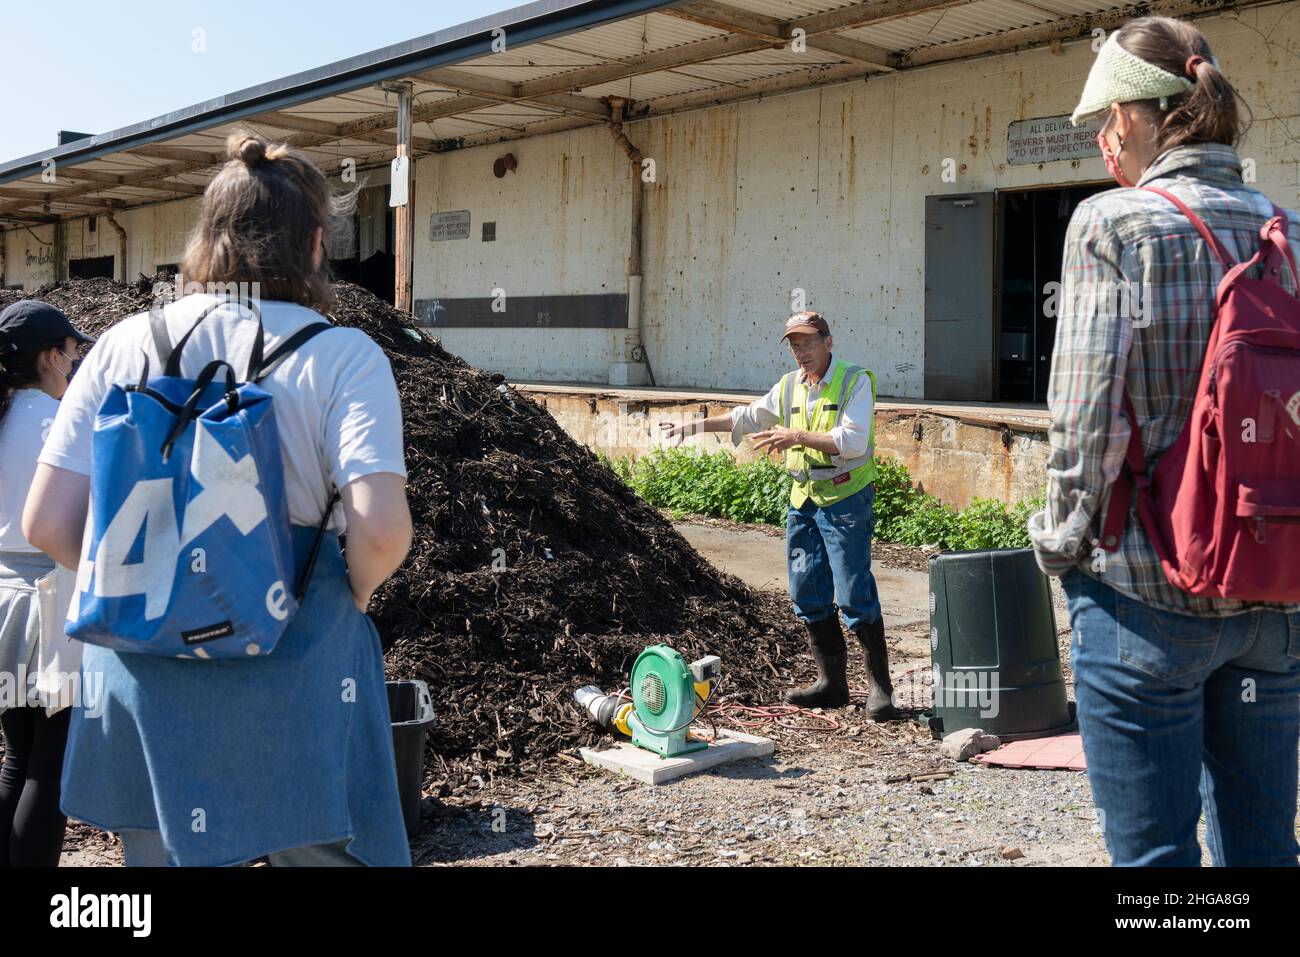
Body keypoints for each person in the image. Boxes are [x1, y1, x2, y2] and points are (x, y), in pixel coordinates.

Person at [22, 131, 415, 867]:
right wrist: (348, 592)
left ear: (205, 242)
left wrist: (154, 579)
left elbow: (45, 520)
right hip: (298, 657)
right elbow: (383, 531)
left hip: (146, 675)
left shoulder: (119, 345)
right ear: (317, 243)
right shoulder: (345, 356)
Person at [1029, 16, 1300, 865]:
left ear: (1141, 117)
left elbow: (1083, 420)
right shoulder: (1288, 231)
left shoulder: (1111, 224)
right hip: (1273, 593)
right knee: (1264, 847)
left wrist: (1061, 543)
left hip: (1145, 591)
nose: (1106, 141)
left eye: (1107, 120)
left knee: (1155, 864)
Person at [661, 312, 898, 719]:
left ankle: (882, 688)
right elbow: (748, 416)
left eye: (808, 342)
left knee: (853, 591)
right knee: (806, 589)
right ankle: (831, 684)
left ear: (828, 341)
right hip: (804, 498)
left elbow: (854, 442)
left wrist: (797, 436)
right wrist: (692, 427)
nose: (801, 352)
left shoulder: (855, 380)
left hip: (845, 496)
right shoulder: (790, 386)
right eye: (794, 345)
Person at [0, 301, 94, 867]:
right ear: (49, 357)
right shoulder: (60, 427)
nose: (77, 360)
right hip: (50, 601)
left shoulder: (4, 419)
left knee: (17, 755)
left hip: (1, 597)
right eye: (72, 350)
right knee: (50, 765)